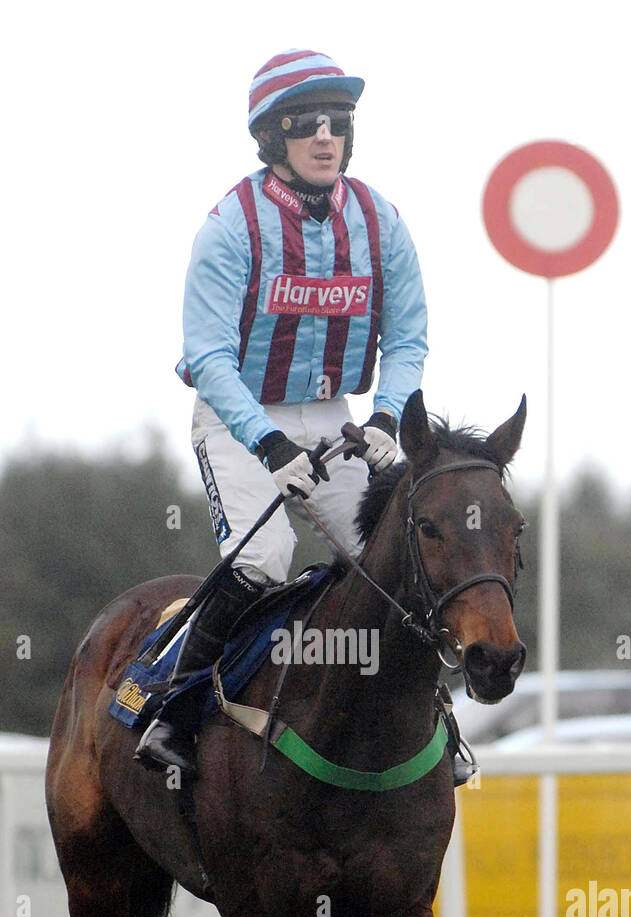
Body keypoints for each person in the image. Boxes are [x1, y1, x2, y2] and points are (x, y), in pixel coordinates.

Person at [135, 48, 427, 777]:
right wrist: (267, 446)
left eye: (338, 122)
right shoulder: (230, 227)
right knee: (264, 560)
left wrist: (387, 418)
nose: (326, 136)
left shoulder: (382, 221)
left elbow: (411, 337)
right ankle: (171, 705)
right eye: (306, 124)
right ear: (273, 139)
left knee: (394, 563)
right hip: (240, 419)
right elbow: (207, 356)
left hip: (335, 415)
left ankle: (435, 724)